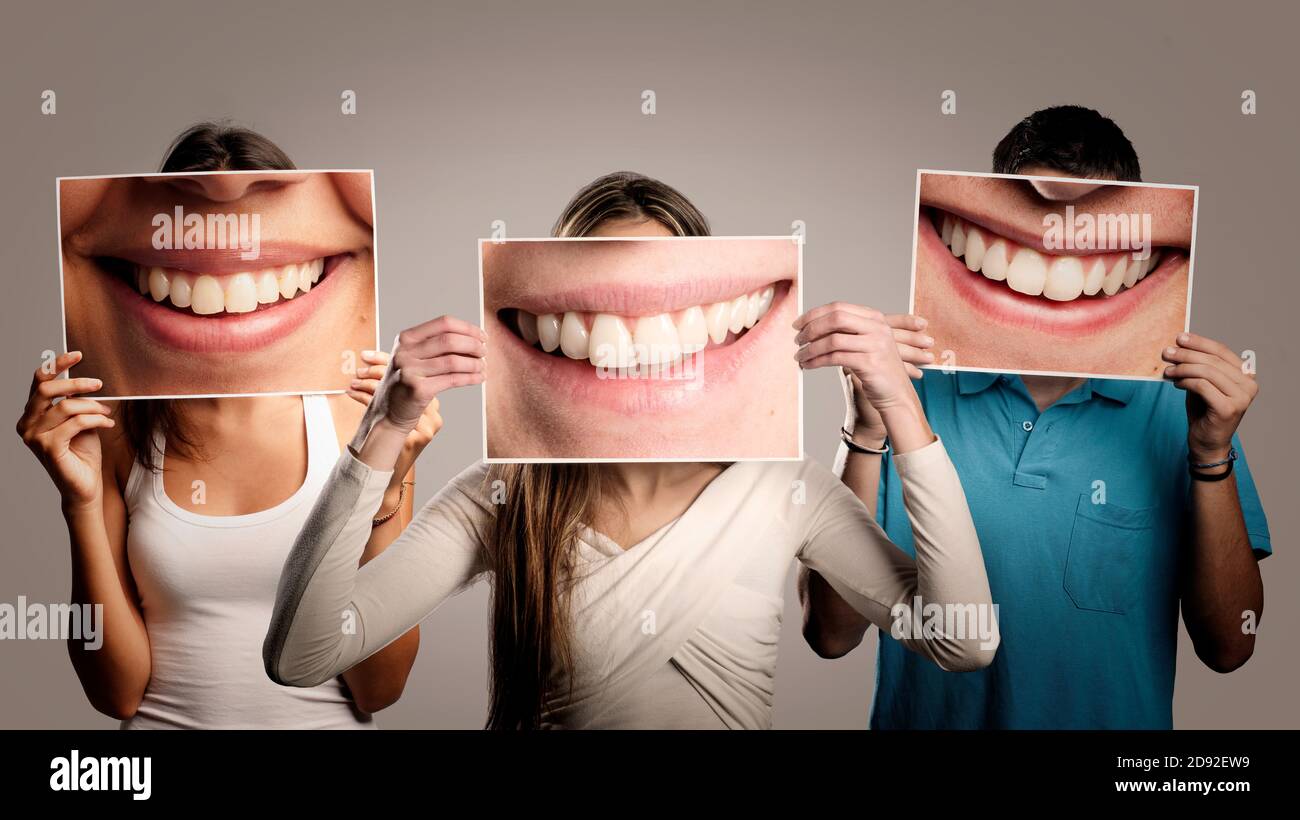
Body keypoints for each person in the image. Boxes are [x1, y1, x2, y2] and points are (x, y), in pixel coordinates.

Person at [263, 171, 999, 729]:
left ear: (715, 327)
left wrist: (900, 408)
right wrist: (380, 430)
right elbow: (300, 655)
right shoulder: (506, 494)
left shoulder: (785, 488)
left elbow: (965, 641)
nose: (636, 331)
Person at [800, 105, 1270, 729]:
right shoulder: (909, 397)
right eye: (1035, 215)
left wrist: (1211, 455)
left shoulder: (1182, 411)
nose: (1059, 239)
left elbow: (1230, 647)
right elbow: (831, 635)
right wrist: (865, 430)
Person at [16, 123, 431, 728]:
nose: (224, 199)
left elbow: (378, 687)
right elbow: (117, 694)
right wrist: (78, 502)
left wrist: (388, 491)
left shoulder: (365, 423)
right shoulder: (118, 430)